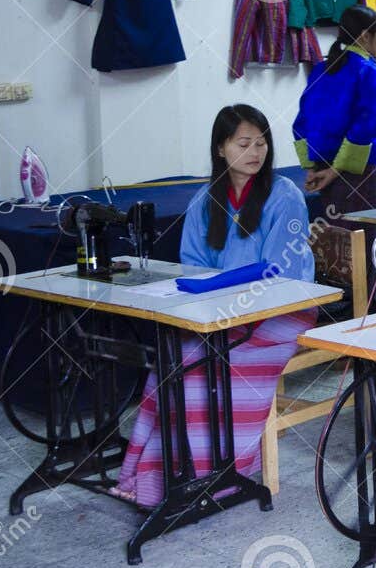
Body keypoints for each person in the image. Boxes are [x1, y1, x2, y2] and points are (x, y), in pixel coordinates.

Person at [113, 106, 315, 506]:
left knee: (200, 368)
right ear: (221, 149)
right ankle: (157, 475)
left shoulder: (285, 196)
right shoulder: (205, 199)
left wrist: (230, 302)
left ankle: (218, 475)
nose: (256, 151)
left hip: (279, 312)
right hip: (221, 314)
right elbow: (193, 264)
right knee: (174, 362)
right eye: (244, 143)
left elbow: (284, 272)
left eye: (261, 142)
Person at [292, 4, 376, 223]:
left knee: (335, 245)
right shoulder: (371, 72)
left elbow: (301, 123)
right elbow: (364, 128)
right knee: (360, 243)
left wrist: (312, 169)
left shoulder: (320, 69)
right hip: (357, 176)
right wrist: (335, 172)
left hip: (322, 171)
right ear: (365, 36)